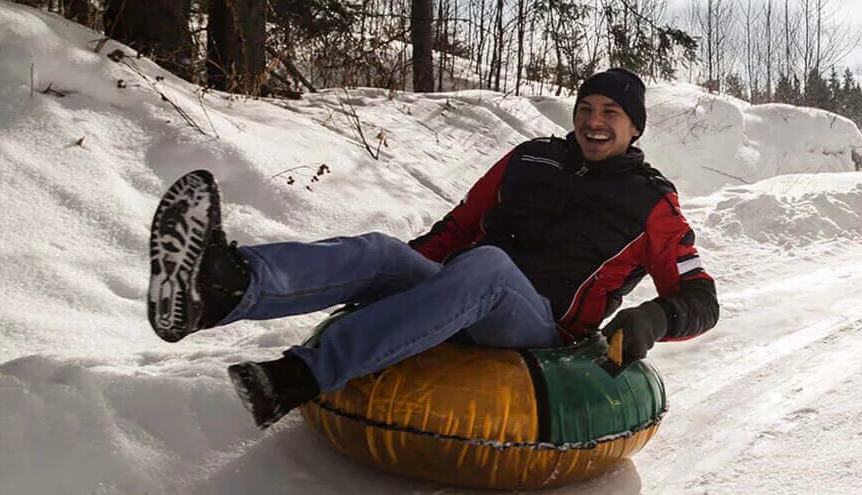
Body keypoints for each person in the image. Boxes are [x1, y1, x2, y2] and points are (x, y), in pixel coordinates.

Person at [146, 67, 720, 429]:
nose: (594, 122)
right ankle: (225, 288)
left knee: (489, 267)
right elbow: (457, 230)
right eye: (586, 109)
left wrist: (654, 316)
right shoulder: (530, 159)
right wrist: (389, 277)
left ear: (635, 128)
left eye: (610, 114)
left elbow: (700, 296)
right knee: (381, 250)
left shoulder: (652, 203)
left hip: (538, 328)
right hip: (466, 287)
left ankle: (298, 378)